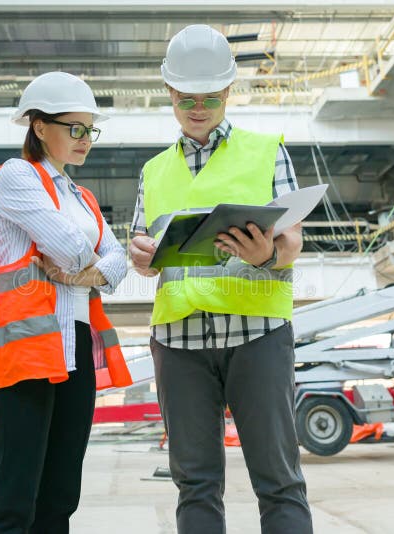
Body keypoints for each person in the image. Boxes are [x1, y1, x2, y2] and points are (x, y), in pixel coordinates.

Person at [129, 25, 313, 533]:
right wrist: (141, 256)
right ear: (170, 92)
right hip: (179, 342)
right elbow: (143, 245)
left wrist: (267, 255)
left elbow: (293, 238)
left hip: (257, 337)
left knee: (279, 482)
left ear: (229, 91)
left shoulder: (266, 150)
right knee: (195, 486)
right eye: (186, 98)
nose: (198, 108)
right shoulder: (153, 171)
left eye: (210, 98)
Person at [0, 71, 131, 534]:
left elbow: (119, 260)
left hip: (76, 348)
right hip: (27, 348)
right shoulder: (16, 176)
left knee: (62, 494)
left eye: (91, 130)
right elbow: (70, 245)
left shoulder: (81, 196)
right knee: (17, 496)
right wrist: (90, 266)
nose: (86, 139)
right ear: (40, 126)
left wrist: (87, 273)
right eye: (76, 128)